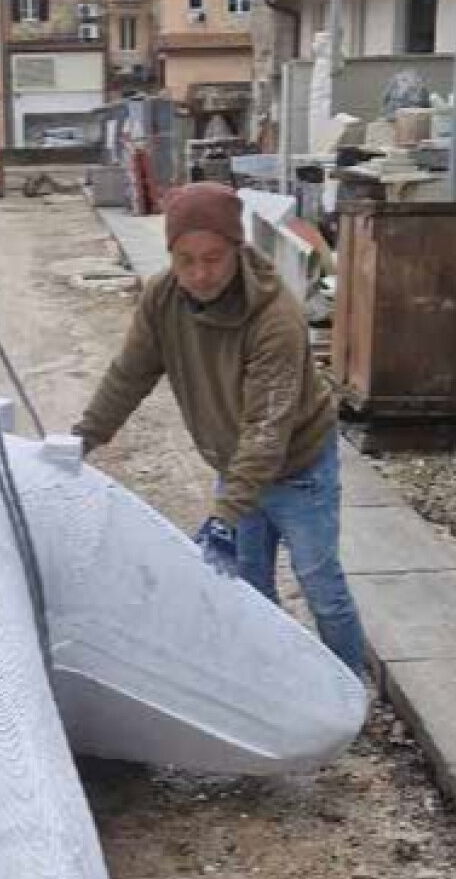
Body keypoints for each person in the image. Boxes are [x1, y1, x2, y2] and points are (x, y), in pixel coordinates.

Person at [73, 182, 370, 679]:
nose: (199, 274)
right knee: (248, 585)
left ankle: (348, 687)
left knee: (320, 582)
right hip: (238, 466)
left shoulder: (276, 319)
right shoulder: (162, 299)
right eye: (185, 260)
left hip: (298, 468)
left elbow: (267, 431)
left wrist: (225, 515)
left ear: (238, 248)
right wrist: (81, 440)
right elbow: (130, 375)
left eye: (212, 257)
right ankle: (274, 676)